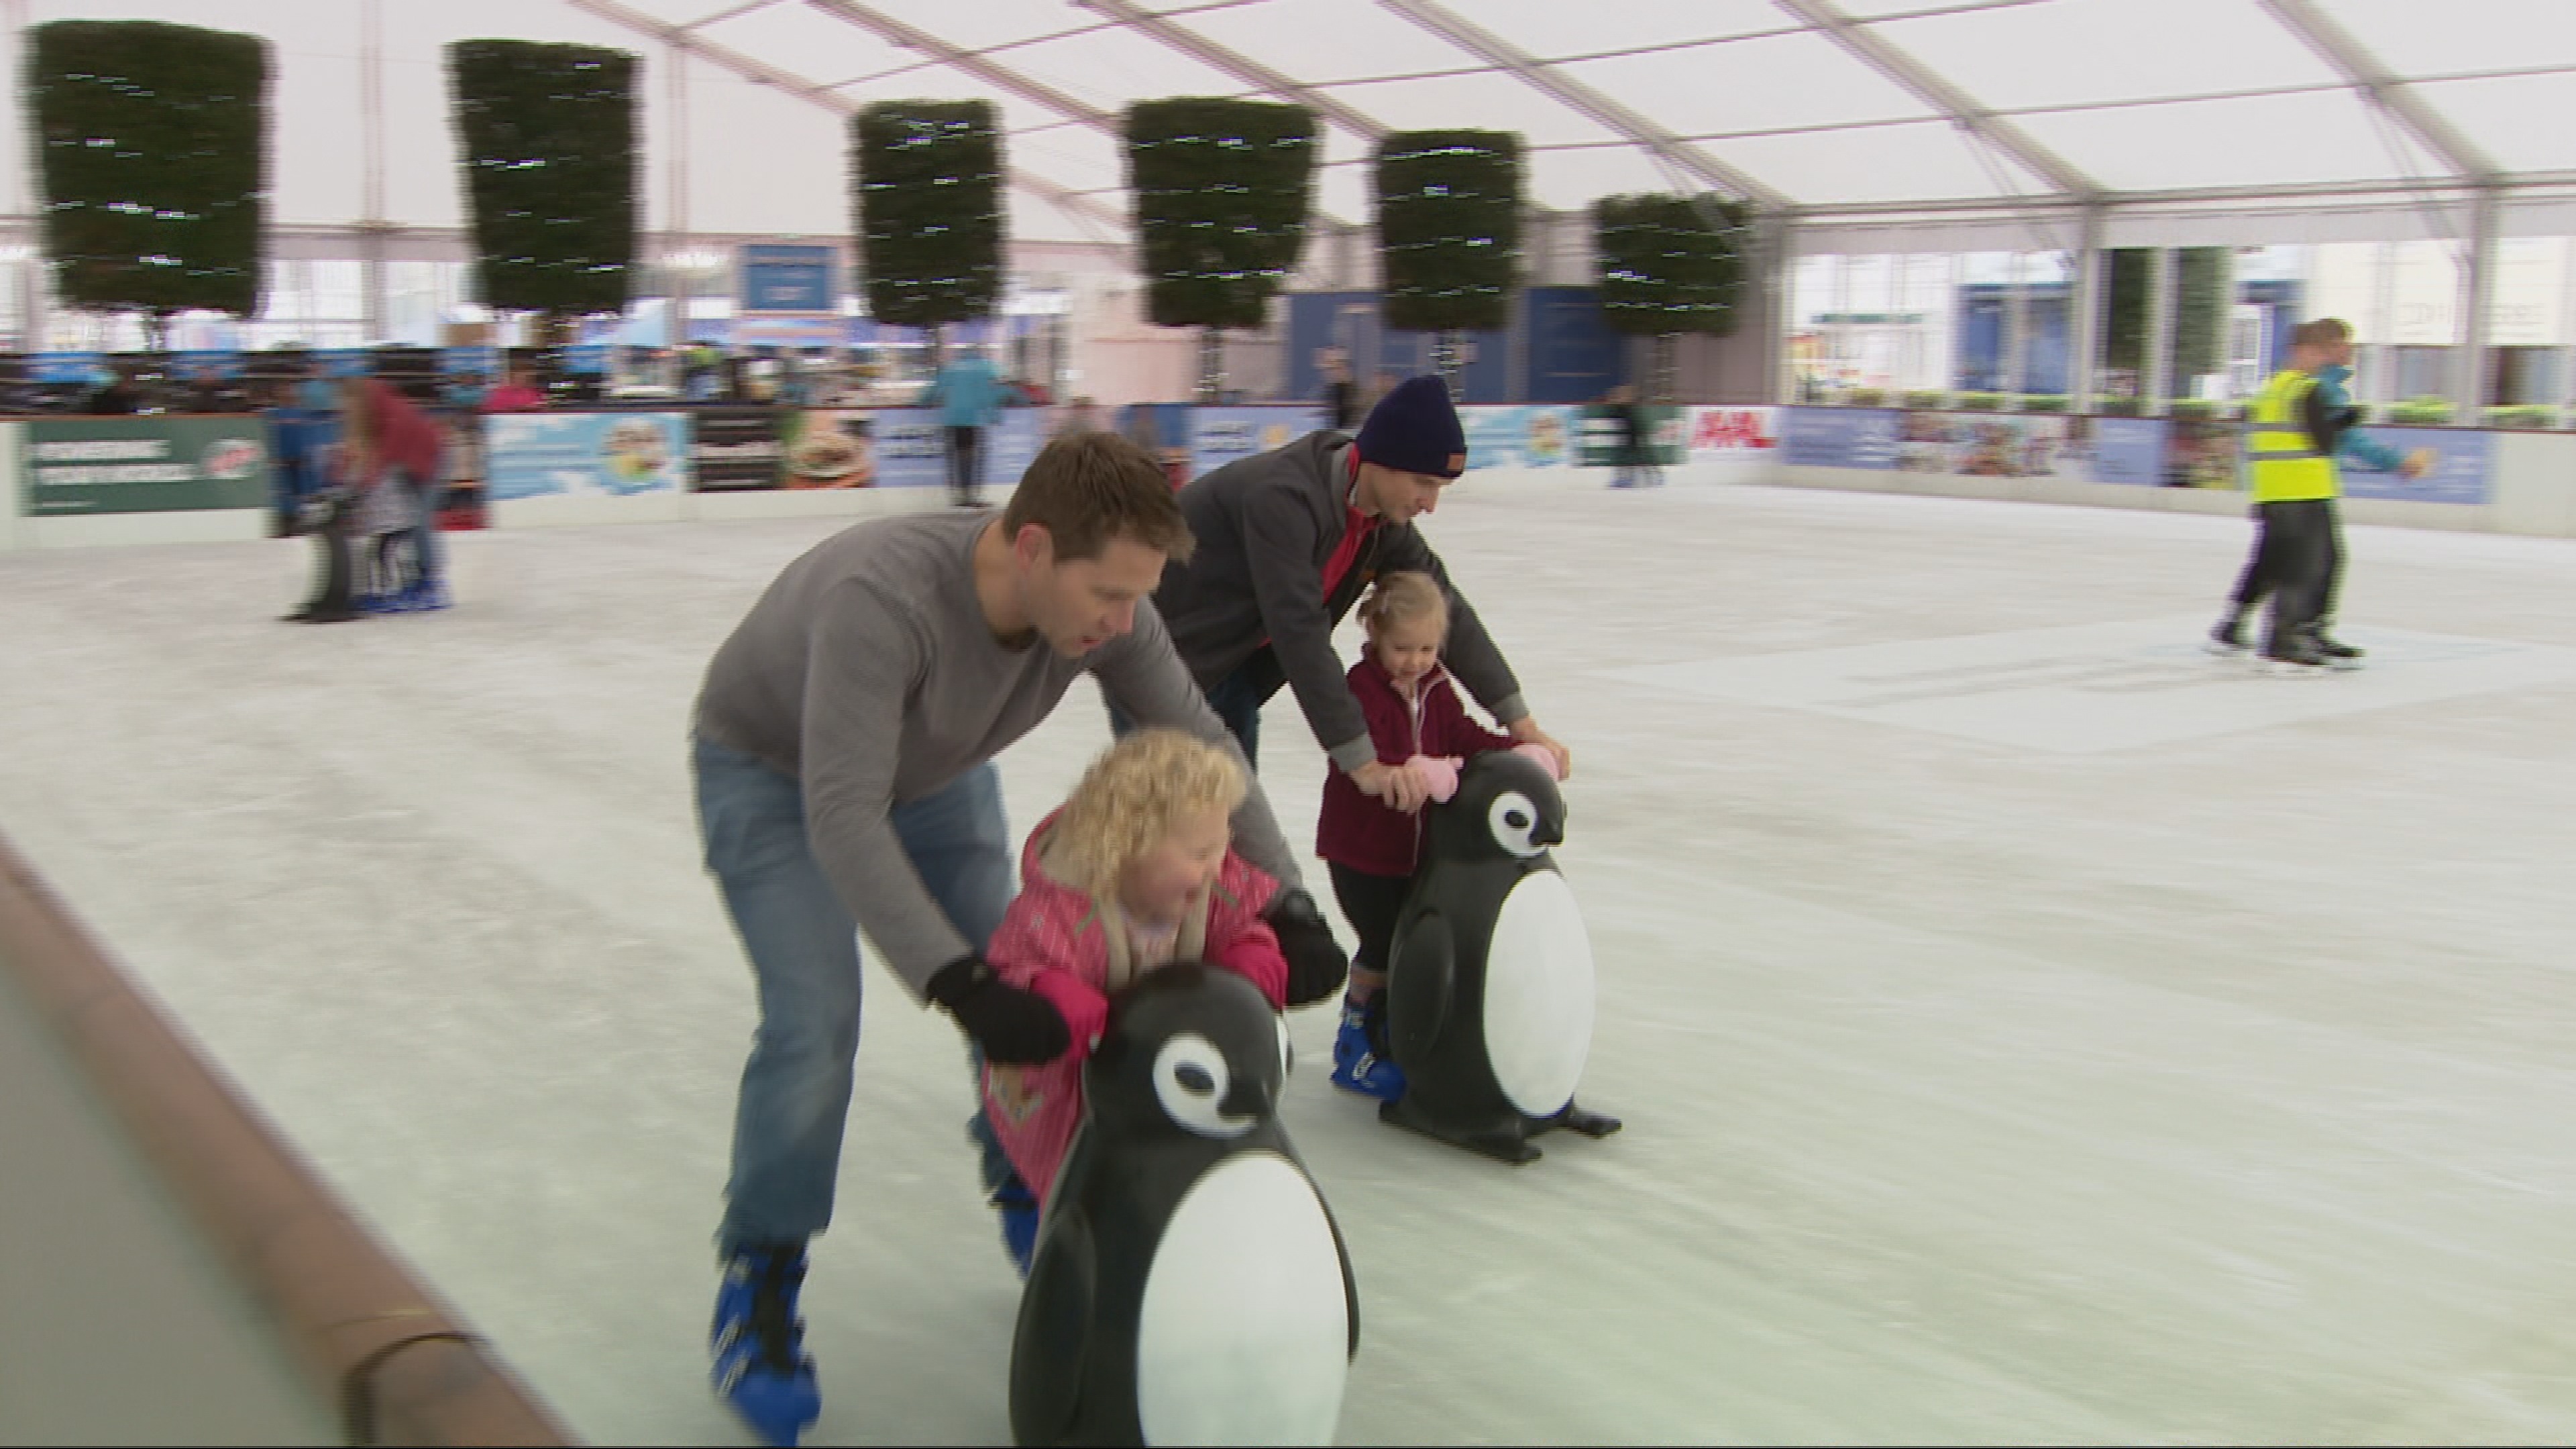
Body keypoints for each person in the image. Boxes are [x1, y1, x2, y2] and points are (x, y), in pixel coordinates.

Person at [688, 431, 1348, 1448]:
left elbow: (1200, 737)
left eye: (1137, 598)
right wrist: (957, 983)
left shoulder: (1104, 605)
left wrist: (1289, 903)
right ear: (1032, 546)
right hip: (774, 774)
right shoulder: (883, 601)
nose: (1123, 623)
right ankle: (761, 1275)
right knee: (815, 1022)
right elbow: (844, 814)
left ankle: (1030, 1179)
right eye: (1109, 596)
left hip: (935, 773)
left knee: (1034, 985)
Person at [1135, 374, 1571, 801]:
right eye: (1424, 483)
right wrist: (1362, 762)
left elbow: (1446, 607)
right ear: (1381, 460)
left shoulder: (1380, 522)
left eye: (1440, 488)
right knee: (1173, 815)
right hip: (1167, 651)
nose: (1431, 504)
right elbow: (1298, 627)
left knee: (1224, 813)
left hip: (1233, 663)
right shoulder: (1285, 497)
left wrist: (1521, 724)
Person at [979, 730, 1291, 1205]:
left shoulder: (1214, 888)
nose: (1216, 867)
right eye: (1199, 854)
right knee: (1071, 1173)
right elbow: (1015, 966)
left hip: (1167, 1076)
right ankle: (1040, 1203)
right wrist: (1052, 990)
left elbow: (1242, 924)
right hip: (1068, 1086)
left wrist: (1251, 957)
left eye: (1222, 847)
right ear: (1130, 847)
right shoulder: (1061, 910)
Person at [1313, 572, 1564, 1100]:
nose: (1415, 661)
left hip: (1418, 852)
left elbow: (1464, 737)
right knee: (1382, 945)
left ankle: (1400, 1036)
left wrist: (1518, 754)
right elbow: (1372, 757)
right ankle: (1355, 1046)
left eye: (1427, 649)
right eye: (1402, 648)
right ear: (1376, 635)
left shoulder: (1436, 687)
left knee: (1410, 945)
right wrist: (1410, 772)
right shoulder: (1360, 689)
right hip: (1363, 851)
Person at [2208, 317, 2428, 670]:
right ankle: (2293, 634)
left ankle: (2249, 625)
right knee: (2310, 563)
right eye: (2341, 343)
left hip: (2277, 489)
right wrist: (2392, 460)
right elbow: (2335, 440)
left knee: (2278, 561)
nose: (2349, 350)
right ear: (2315, 350)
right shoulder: (2315, 388)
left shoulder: (2276, 386)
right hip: (2302, 488)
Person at [338, 378, 451, 612]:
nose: (347, 410)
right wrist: (341, 478)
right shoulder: (372, 418)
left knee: (420, 523)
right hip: (408, 469)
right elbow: (358, 449)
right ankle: (409, 582)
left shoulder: (396, 413)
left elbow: (385, 455)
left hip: (432, 463)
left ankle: (431, 586)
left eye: (350, 404)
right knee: (403, 525)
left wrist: (360, 487)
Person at [920, 348, 1009, 508]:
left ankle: (958, 494)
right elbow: (987, 396)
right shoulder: (984, 369)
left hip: (951, 420)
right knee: (972, 459)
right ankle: (970, 496)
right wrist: (994, 416)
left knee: (955, 459)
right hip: (972, 421)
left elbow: (932, 392)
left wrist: (922, 403)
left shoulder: (950, 368)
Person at [1321, 350, 1362, 431]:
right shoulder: (1332, 388)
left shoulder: (1354, 389)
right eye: (1333, 369)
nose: (1335, 372)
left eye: (1339, 368)